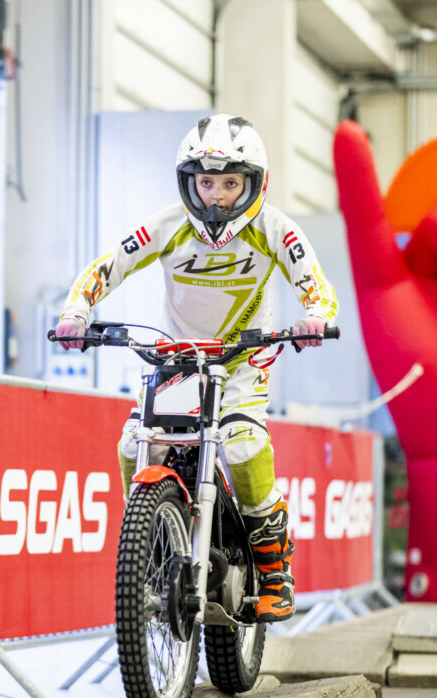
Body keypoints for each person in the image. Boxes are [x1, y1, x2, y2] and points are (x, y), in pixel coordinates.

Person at [53, 114, 338, 622]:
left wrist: (316, 317)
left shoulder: (276, 229)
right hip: (179, 364)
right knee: (133, 443)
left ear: (254, 183)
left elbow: (311, 280)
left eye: (231, 183)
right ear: (190, 182)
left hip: (243, 363)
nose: (217, 196)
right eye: (206, 182)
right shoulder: (167, 225)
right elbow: (107, 267)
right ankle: (149, 540)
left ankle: (274, 569)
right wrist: (77, 312)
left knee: (243, 443)